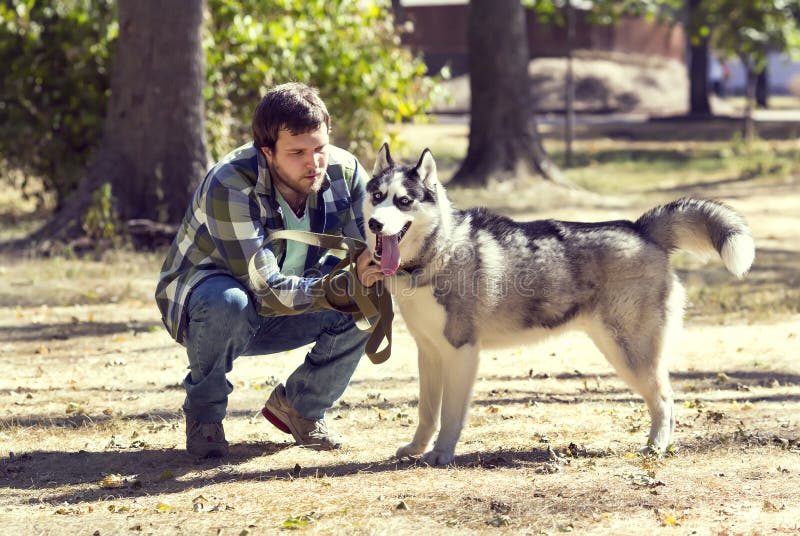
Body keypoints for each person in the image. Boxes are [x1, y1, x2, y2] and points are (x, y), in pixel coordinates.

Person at [155, 82, 385, 457]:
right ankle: (204, 417)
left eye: (320, 148)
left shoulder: (344, 172)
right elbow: (266, 291)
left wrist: (373, 265)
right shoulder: (230, 182)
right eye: (297, 153)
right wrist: (338, 286)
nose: (314, 163)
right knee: (228, 302)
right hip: (209, 306)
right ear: (268, 152)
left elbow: (370, 249)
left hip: (290, 298)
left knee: (370, 294)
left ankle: (300, 408)